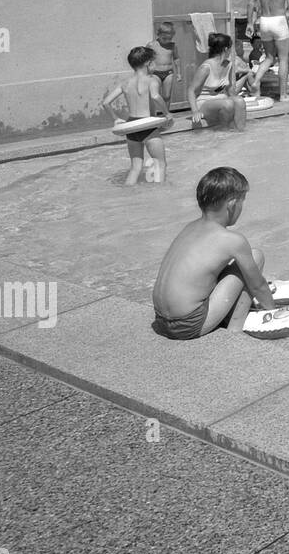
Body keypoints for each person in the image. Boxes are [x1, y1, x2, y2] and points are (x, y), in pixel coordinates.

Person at [152, 167, 276, 339]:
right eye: (242, 201)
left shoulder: (189, 228)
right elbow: (258, 286)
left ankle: (222, 318)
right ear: (232, 205)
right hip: (188, 324)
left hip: (161, 321)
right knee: (256, 256)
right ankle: (234, 330)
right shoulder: (231, 240)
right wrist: (275, 313)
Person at [102, 46, 171, 185]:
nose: (155, 65)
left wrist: (116, 119)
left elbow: (105, 103)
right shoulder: (152, 80)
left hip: (131, 126)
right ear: (148, 63)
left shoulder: (125, 83)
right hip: (147, 126)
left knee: (135, 167)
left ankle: (127, 194)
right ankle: (160, 197)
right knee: (160, 165)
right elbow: (156, 97)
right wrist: (167, 114)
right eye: (154, 62)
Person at [188, 32, 248, 130]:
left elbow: (230, 91)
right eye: (230, 48)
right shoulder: (206, 67)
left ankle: (240, 133)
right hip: (204, 102)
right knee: (228, 104)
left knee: (240, 101)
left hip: (223, 100)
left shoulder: (229, 65)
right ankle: (224, 132)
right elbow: (191, 90)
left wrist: (243, 77)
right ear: (225, 49)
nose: (231, 51)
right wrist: (195, 111)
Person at [145, 21, 181, 107]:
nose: (167, 41)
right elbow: (145, 58)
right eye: (164, 39)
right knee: (154, 95)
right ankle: (153, 115)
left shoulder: (172, 46)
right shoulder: (152, 45)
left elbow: (176, 58)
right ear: (158, 34)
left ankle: (166, 115)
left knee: (167, 96)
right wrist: (145, 72)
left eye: (170, 39)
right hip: (155, 73)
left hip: (168, 73)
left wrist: (179, 73)